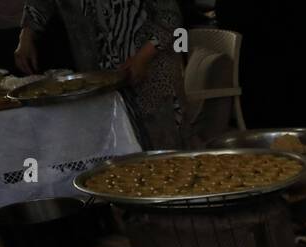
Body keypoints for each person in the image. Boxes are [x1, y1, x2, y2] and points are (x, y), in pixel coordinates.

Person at [14, 0, 188, 149]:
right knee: (115, 147)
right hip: (99, 77)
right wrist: (26, 35)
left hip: (150, 69)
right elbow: (40, 3)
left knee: (162, 150)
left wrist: (142, 58)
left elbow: (170, 16)